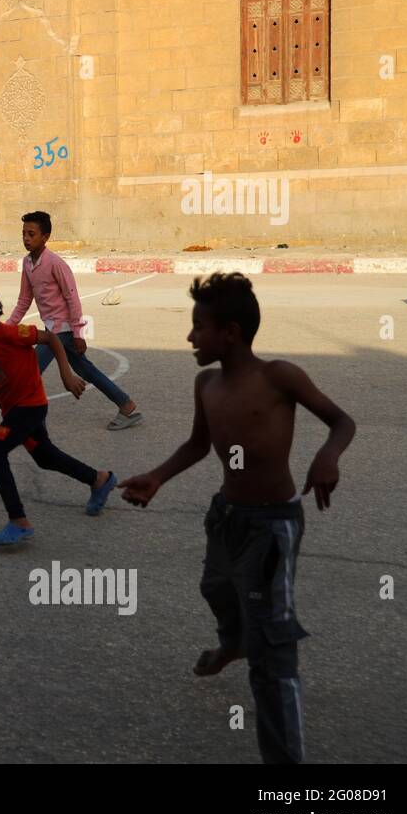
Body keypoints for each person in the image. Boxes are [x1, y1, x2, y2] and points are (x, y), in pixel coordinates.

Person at [119, 272, 355, 764]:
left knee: (272, 656)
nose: (189, 337)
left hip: (272, 526)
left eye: (198, 326)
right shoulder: (205, 382)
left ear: (229, 332)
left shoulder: (279, 377)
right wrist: (158, 476)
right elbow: (199, 445)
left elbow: (341, 421)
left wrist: (328, 457)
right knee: (217, 588)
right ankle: (234, 643)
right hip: (227, 515)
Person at [0, 282, 118, 545]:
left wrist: (66, 375)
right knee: (45, 457)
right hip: (12, 409)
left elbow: (51, 338)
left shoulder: (10, 333)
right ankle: (99, 479)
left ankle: (19, 521)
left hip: (29, 406)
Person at [6, 210, 143, 429]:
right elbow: (24, 299)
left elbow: (72, 298)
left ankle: (22, 419)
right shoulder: (27, 264)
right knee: (85, 370)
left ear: (46, 236)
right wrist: (8, 328)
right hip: (52, 328)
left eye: (31, 234)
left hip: (61, 330)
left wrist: (79, 333)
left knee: (31, 369)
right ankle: (125, 404)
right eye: (23, 234)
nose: (26, 238)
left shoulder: (55, 263)